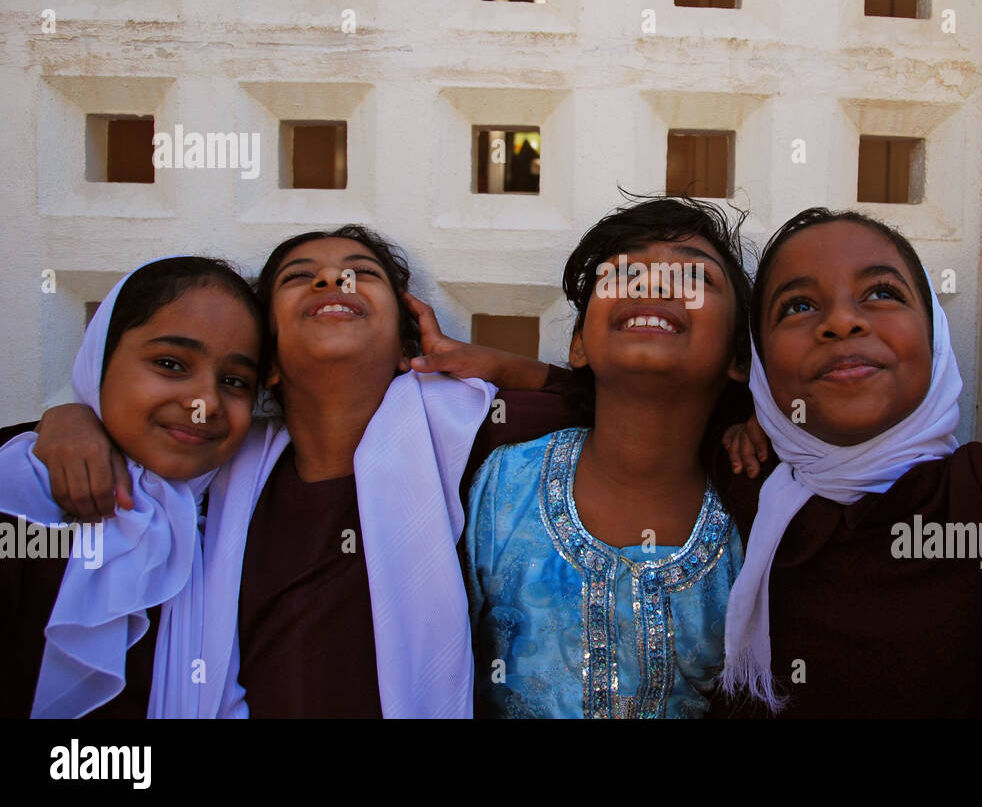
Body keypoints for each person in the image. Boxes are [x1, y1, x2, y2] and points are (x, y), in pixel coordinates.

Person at [30, 225, 577, 717]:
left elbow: (615, 403)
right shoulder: (218, 466)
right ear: (266, 360)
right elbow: (130, 432)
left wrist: (501, 365)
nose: (332, 281)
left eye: (361, 274)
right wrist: (72, 414)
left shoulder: (466, 426)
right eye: (299, 277)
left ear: (405, 343)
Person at [709, 207, 982, 717]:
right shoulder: (739, 469)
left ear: (934, 335)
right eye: (799, 306)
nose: (843, 321)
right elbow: (616, 400)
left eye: (882, 294)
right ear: (757, 363)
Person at [465, 197, 750, 717]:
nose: (655, 283)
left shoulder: (754, 519)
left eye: (695, 277)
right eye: (623, 272)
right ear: (578, 346)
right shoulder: (503, 487)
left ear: (738, 355)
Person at [0, 257, 263, 717]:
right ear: (99, 359)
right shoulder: (22, 495)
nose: (204, 402)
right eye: (170, 363)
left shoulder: (248, 508)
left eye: (234, 381)